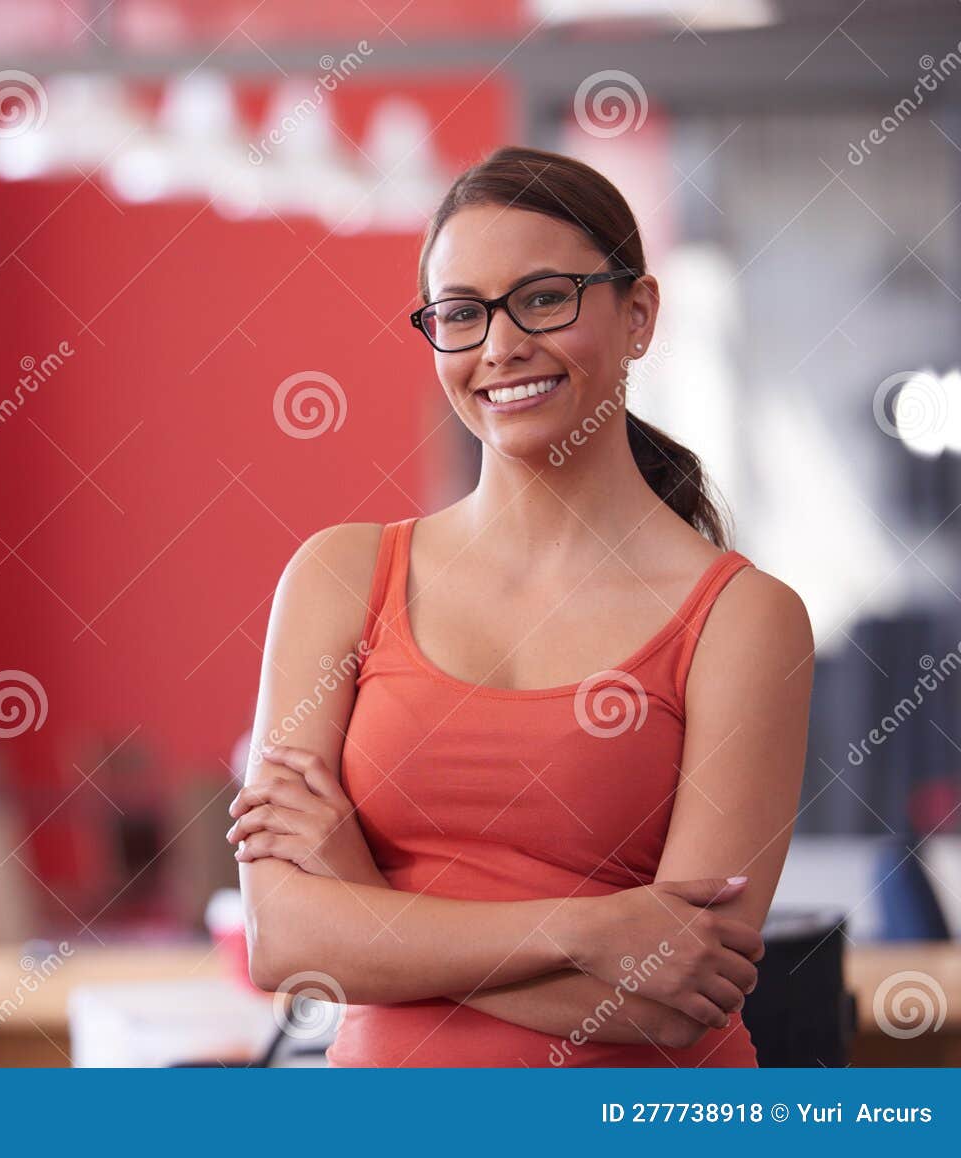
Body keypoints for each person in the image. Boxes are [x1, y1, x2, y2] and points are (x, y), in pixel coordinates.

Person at [229, 145, 814, 1067]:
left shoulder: (744, 618)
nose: (500, 346)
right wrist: (588, 932)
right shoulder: (339, 576)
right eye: (462, 313)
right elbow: (287, 943)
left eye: (544, 298)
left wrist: (358, 891)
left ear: (639, 314)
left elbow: (676, 1004)